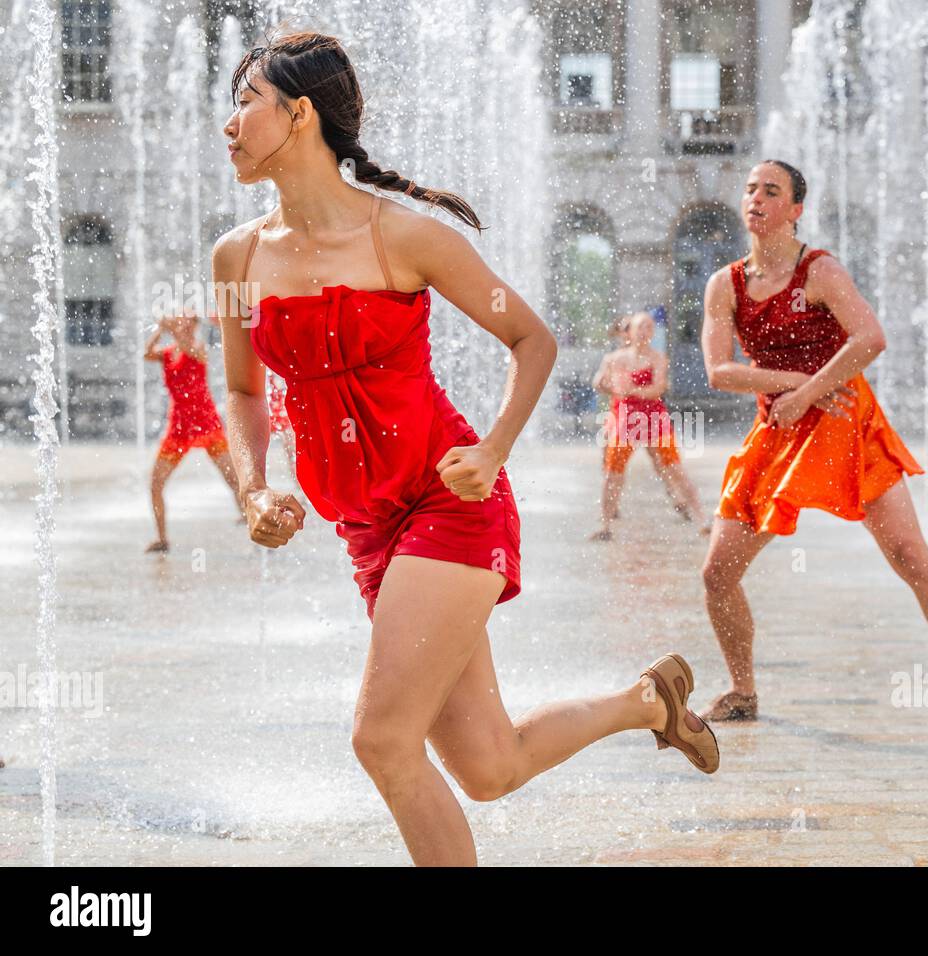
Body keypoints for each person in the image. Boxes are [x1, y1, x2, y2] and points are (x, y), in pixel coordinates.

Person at [213, 31, 718, 867]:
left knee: (381, 741)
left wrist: (491, 451)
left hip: (449, 503)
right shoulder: (236, 256)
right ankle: (648, 704)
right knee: (488, 765)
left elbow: (533, 339)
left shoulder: (407, 238)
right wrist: (252, 488)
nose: (229, 124)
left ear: (299, 116)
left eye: (246, 102)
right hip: (368, 528)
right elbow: (239, 390)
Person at [696, 159, 928, 748]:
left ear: (795, 209)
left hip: (842, 420)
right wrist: (792, 387)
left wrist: (809, 392)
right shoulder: (725, 284)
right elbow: (719, 372)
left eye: (771, 191)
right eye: (750, 189)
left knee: (909, 555)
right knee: (717, 572)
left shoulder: (819, 271)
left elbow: (871, 338)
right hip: (780, 423)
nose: (755, 199)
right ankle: (742, 689)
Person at [589, 311, 712, 540]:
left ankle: (702, 520)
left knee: (674, 469)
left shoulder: (657, 357)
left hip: (653, 419)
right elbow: (599, 382)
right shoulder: (614, 358)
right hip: (625, 418)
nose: (645, 332)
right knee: (613, 474)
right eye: (641, 327)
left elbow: (658, 388)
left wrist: (630, 389)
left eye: (649, 328)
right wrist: (611, 385)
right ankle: (605, 525)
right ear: (630, 332)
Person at [143, 310, 243, 552]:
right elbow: (147, 353)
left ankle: (251, 518)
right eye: (179, 319)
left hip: (206, 423)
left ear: (192, 326)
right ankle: (162, 538)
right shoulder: (167, 354)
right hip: (179, 428)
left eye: (184, 320)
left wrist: (170, 328)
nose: (180, 322)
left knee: (233, 478)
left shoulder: (198, 349)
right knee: (155, 483)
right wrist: (159, 330)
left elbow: (188, 348)